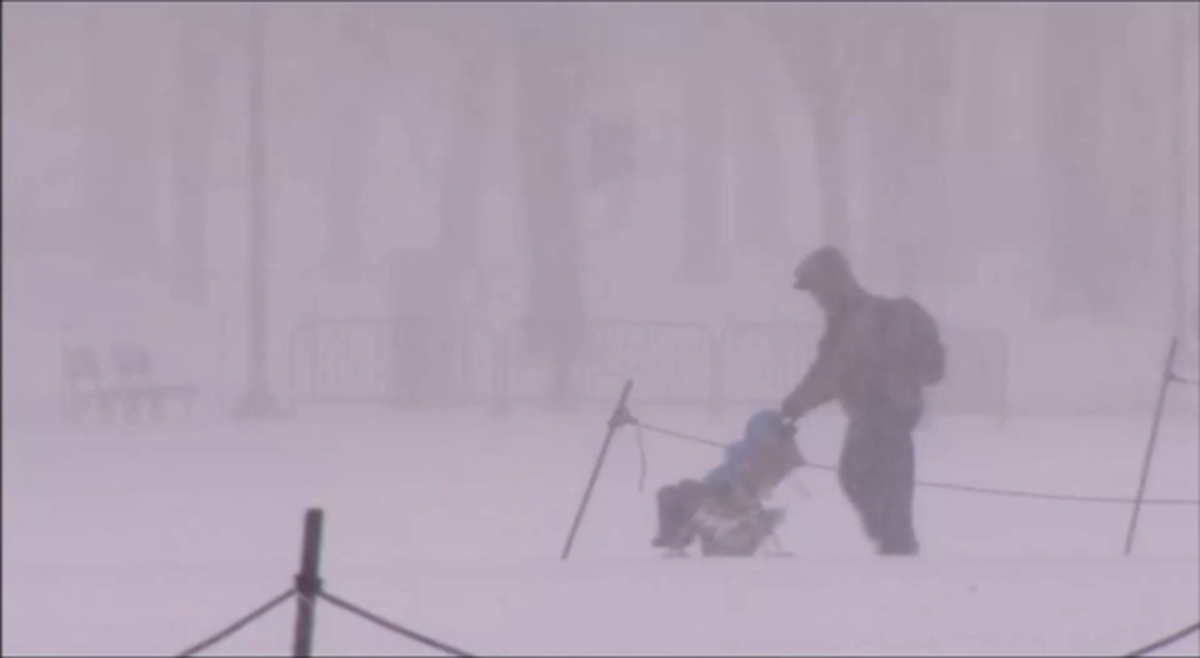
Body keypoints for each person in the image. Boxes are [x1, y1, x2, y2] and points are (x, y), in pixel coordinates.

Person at [781, 246, 945, 556]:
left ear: (833, 282)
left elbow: (829, 372)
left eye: (816, 289)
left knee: (857, 474)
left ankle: (893, 538)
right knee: (888, 482)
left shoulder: (853, 319)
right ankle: (896, 540)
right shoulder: (855, 317)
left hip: (880, 409)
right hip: (896, 409)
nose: (816, 298)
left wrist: (797, 404)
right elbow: (832, 372)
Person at [651, 409, 805, 557]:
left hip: (726, 504)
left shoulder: (759, 457)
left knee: (680, 493)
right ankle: (677, 539)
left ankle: (676, 540)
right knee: (679, 492)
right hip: (722, 499)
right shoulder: (753, 455)